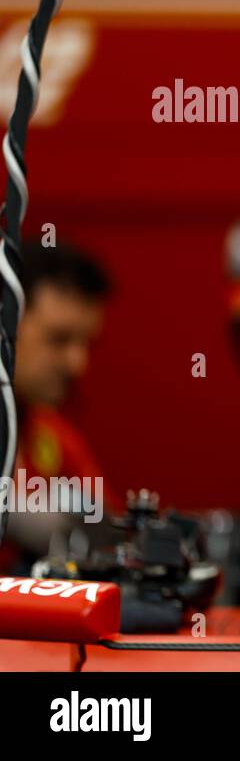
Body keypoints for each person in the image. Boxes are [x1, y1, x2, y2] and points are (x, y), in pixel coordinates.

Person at [2, 242, 115, 571]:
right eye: (58, 339)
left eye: (86, 344)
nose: (77, 364)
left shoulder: (52, 433)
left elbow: (109, 530)